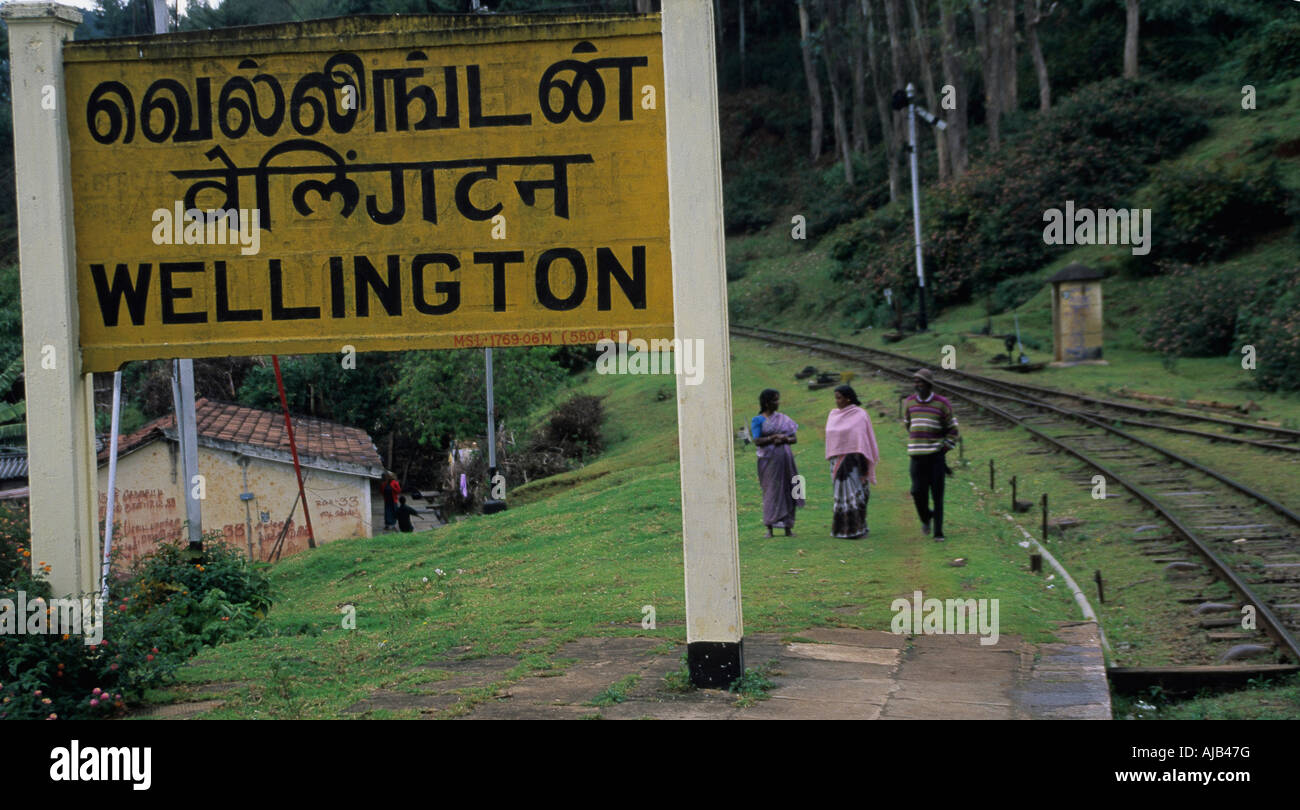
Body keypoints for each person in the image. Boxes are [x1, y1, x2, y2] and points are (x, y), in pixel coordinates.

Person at [904, 368, 959, 542]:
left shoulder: (942, 403)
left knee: (937, 494)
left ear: (928, 384)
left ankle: (938, 532)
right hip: (916, 456)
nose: (916, 385)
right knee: (916, 492)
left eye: (919, 382)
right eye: (915, 382)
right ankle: (927, 517)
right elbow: (908, 424)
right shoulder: (909, 402)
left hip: (935, 457)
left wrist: (943, 449)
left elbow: (953, 429)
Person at [824, 384, 879, 539]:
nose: (837, 401)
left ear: (848, 398)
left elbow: (863, 438)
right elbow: (830, 436)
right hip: (837, 462)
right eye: (836, 398)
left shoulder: (860, 415)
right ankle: (843, 529)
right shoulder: (833, 415)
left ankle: (857, 529)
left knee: (857, 495)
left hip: (854, 462)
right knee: (841, 496)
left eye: (839, 398)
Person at [752, 388, 803, 537]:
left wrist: (785, 439)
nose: (778, 403)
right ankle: (770, 527)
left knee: (788, 488)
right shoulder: (758, 420)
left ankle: (788, 527)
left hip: (785, 459)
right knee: (771, 490)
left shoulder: (784, 419)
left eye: (778, 399)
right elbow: (757, 440)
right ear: (767, 403)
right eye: (775, 400)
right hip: (768, 461)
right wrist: (772, 438)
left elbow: (794, 438)